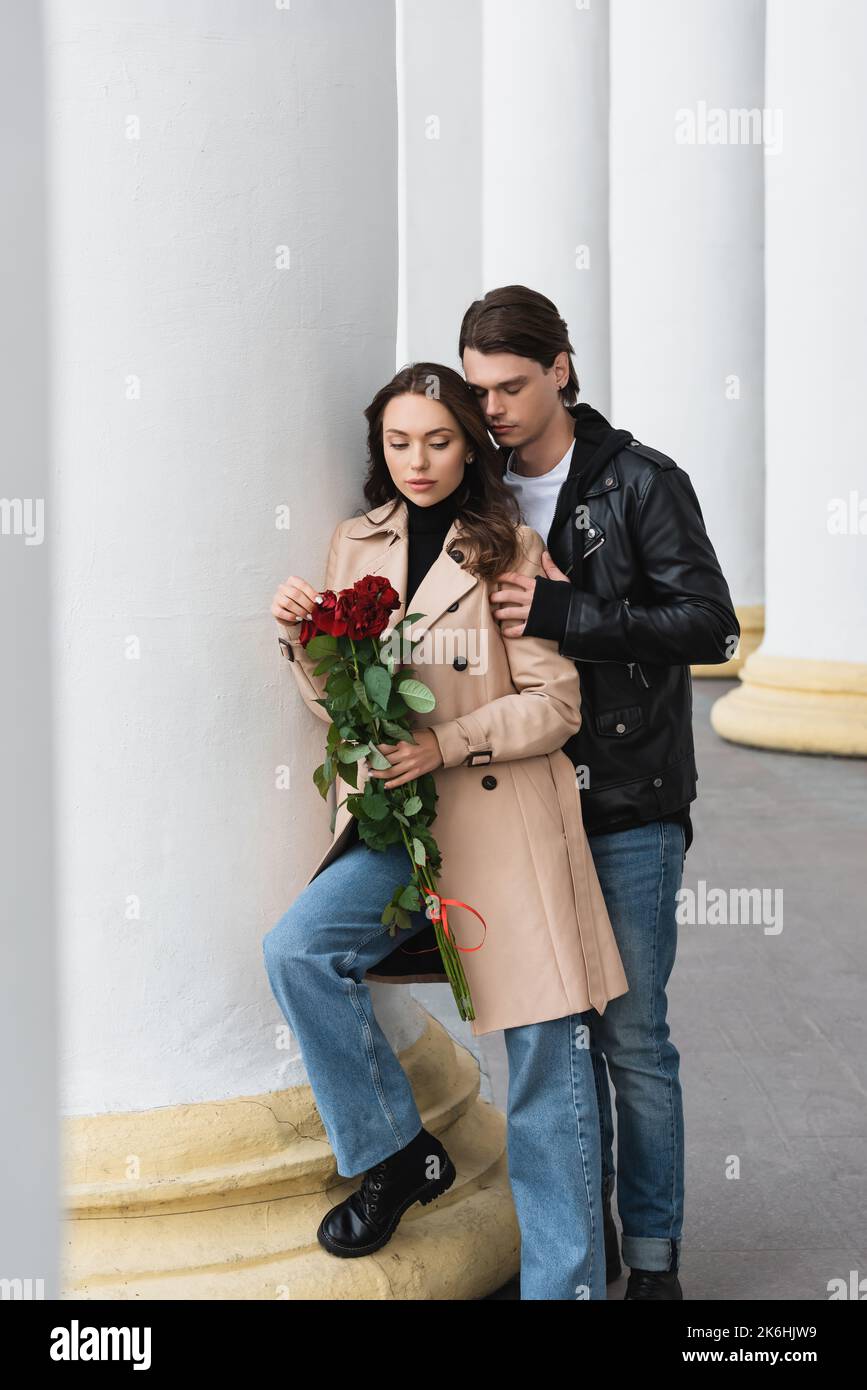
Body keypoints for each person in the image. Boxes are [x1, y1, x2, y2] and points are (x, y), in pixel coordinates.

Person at [264, 362, 628, 1300]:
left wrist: (448, 742)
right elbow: (343, 702)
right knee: (300, 951)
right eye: (398, 442)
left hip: (505, 825)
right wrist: (307, 640)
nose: (417, 461)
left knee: (547, 1069)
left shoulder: (509, 546)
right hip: (402, 827)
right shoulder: (357, 540)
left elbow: (556, 706)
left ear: (469, 445)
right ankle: (397, 1152)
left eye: (437, 440)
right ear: (377, 448)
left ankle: (568, 1287)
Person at [459, 285, 740, 1300]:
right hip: (517, 808)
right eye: (479, 387)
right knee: (546, 1036)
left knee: (631, 1036)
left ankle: (655, 1260)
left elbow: (711, 627)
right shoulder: (473, 491)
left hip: (628, 800)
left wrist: (573, 610)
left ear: (563, 368)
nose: (491, 407)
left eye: (513, 385)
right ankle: (587, 1243)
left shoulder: (642, 482)